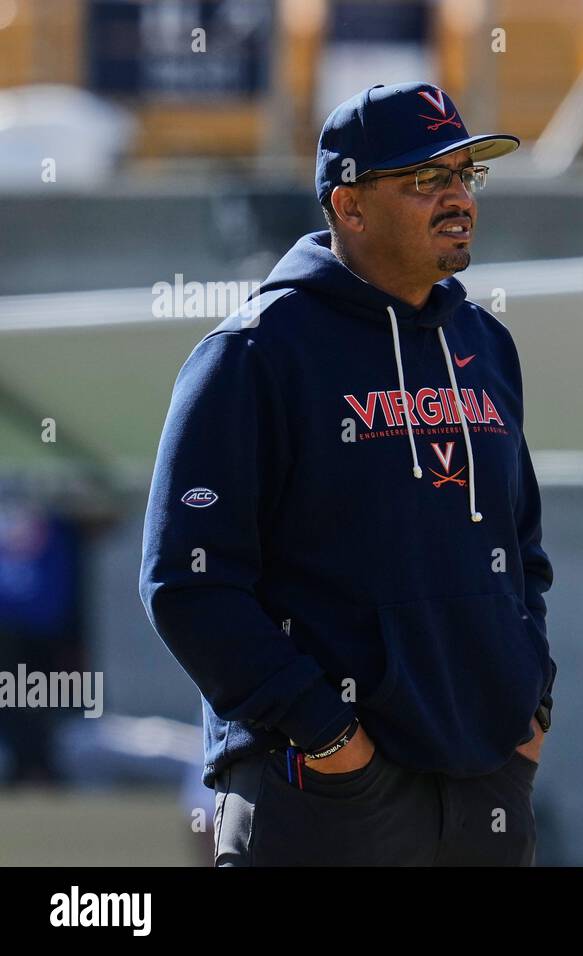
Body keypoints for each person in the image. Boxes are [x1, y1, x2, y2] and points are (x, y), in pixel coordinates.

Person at [139, 82, 556, 866]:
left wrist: (527, 710)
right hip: (326, 795)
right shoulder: (254, 355)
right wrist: (328, 737)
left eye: (466, 175)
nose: (458, 197)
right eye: (425, 180)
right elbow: (187, 584)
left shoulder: (486, 344)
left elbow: (522, 551)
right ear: (350, 206)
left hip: (483, 791)